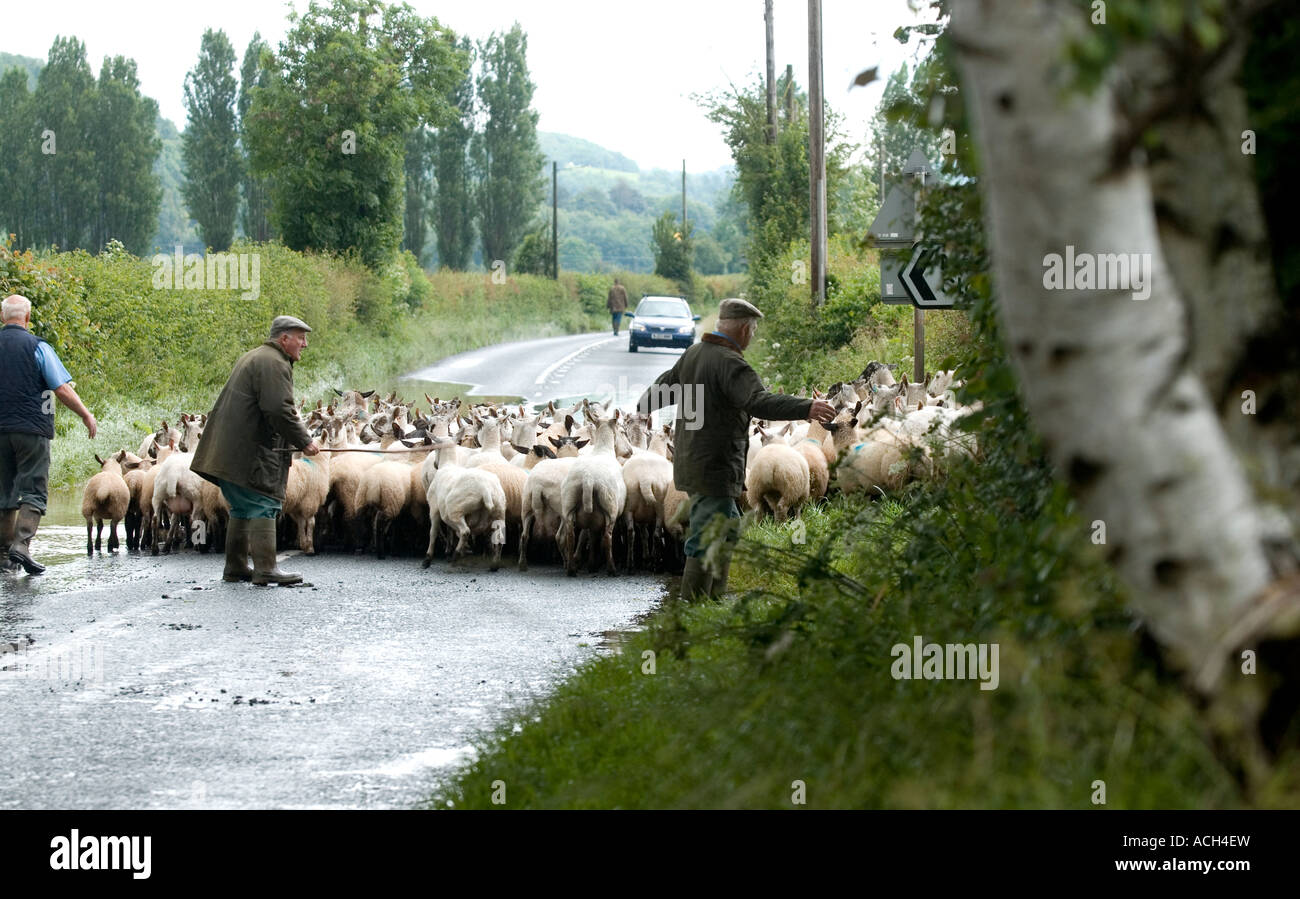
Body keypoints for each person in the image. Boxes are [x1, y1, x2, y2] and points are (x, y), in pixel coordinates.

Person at [636, 298, 835, 601]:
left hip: (692, 463)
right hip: (714, 467)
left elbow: (653, 396)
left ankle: (714, 598)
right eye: (753, 331)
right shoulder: (731, 364)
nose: (752, 337)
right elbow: (759, 401)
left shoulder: (693, 355)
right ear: (744, 329)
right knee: (706, 537)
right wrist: (807, 407)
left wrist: (647, 406)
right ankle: (694, 607)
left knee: (727, 529)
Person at [192, 316, 320, 586]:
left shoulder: (257, 356)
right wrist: (304, 440)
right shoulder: (273, 363)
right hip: (249, 451)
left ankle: (236, 566)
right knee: (264, 501)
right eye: (301, 337)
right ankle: (266, 568)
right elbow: (278, 409)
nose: (305, 344)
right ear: (284, 338)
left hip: (231, 449)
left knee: (240, 507)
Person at [0, 295, 98, 575]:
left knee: (3, 492)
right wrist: (85, 414)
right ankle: (21, 545)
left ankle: (4, 559)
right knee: (34, 489)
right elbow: (61, 388)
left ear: (2, 316)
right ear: (28, 318)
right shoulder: (38, 346)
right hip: (32, 431)